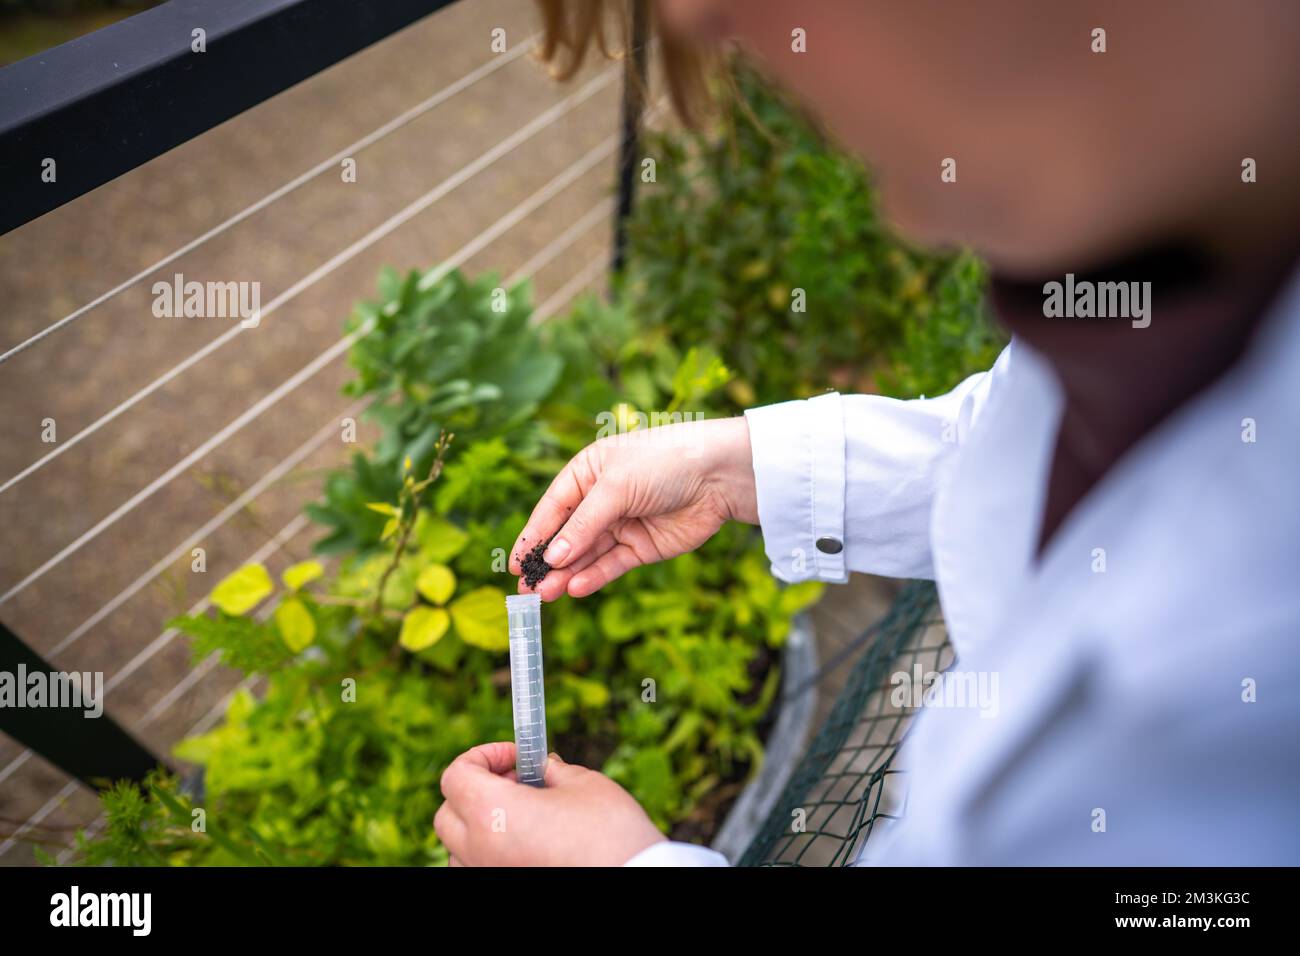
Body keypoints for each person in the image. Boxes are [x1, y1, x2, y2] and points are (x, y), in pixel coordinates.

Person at [434, 0, 1300, 866]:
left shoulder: (1242, 672)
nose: (701, 17)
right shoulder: (1172, 279)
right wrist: (734, 467)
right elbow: (1013, 448)